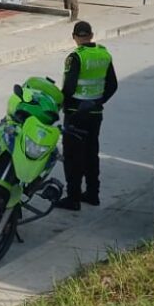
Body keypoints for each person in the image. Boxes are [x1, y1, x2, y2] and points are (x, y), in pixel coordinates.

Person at [57, 20, 117, 210]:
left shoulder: (76, 57)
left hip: (75, 113)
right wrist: (98, 101)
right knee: (91, 153)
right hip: (95, 113)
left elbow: (69, 87)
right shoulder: (104, 54)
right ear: (91, 35)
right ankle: (92, 193)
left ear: (74, 37)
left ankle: (73, 198)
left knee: (73, 156)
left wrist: (61, 105)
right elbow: (113, 85)